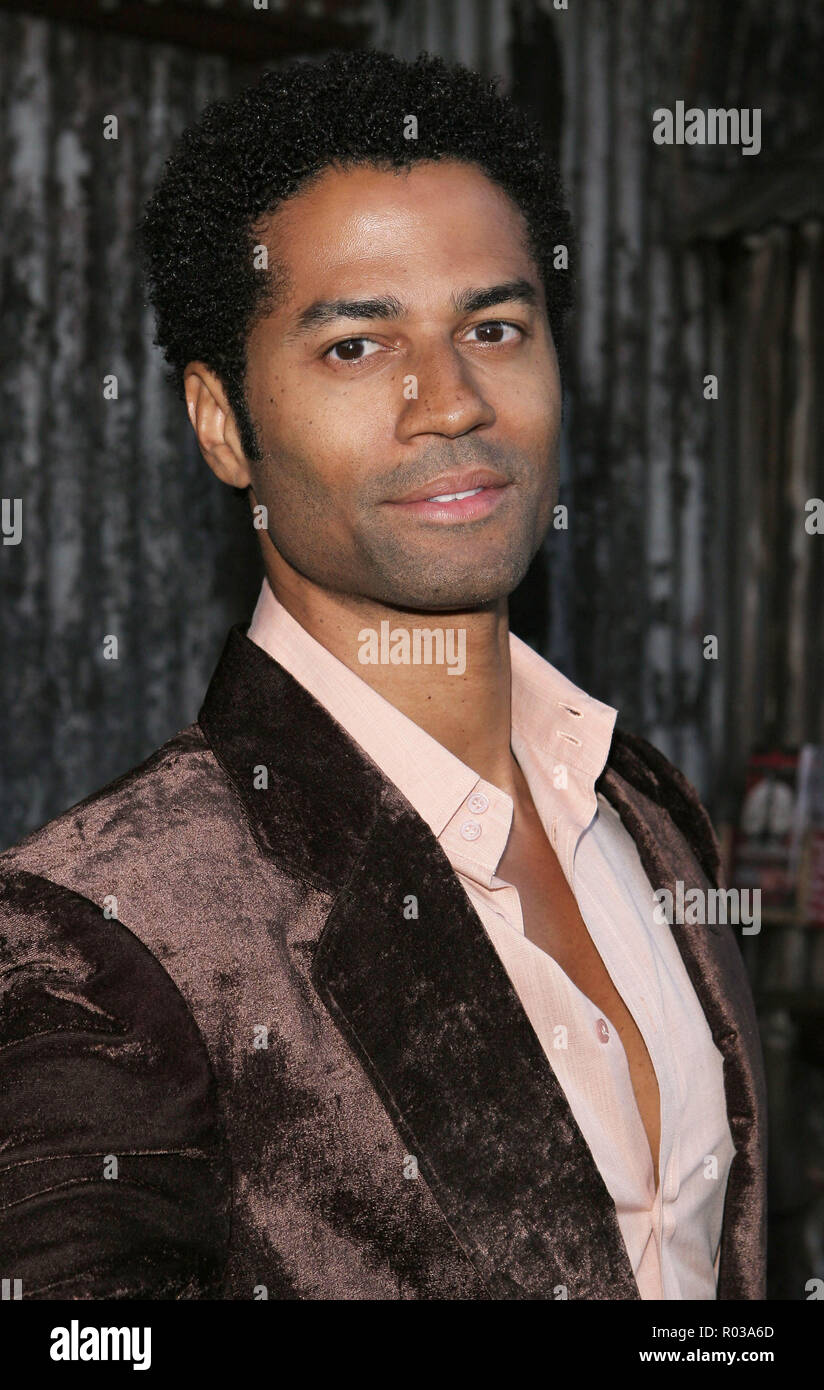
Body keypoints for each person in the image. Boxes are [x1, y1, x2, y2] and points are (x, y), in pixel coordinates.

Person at [0, 48, 765, 1300]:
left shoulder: (645, 810)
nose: (448, 400)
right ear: (221, 423)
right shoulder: (96, 929)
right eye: (357, 347)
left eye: (493, 327)